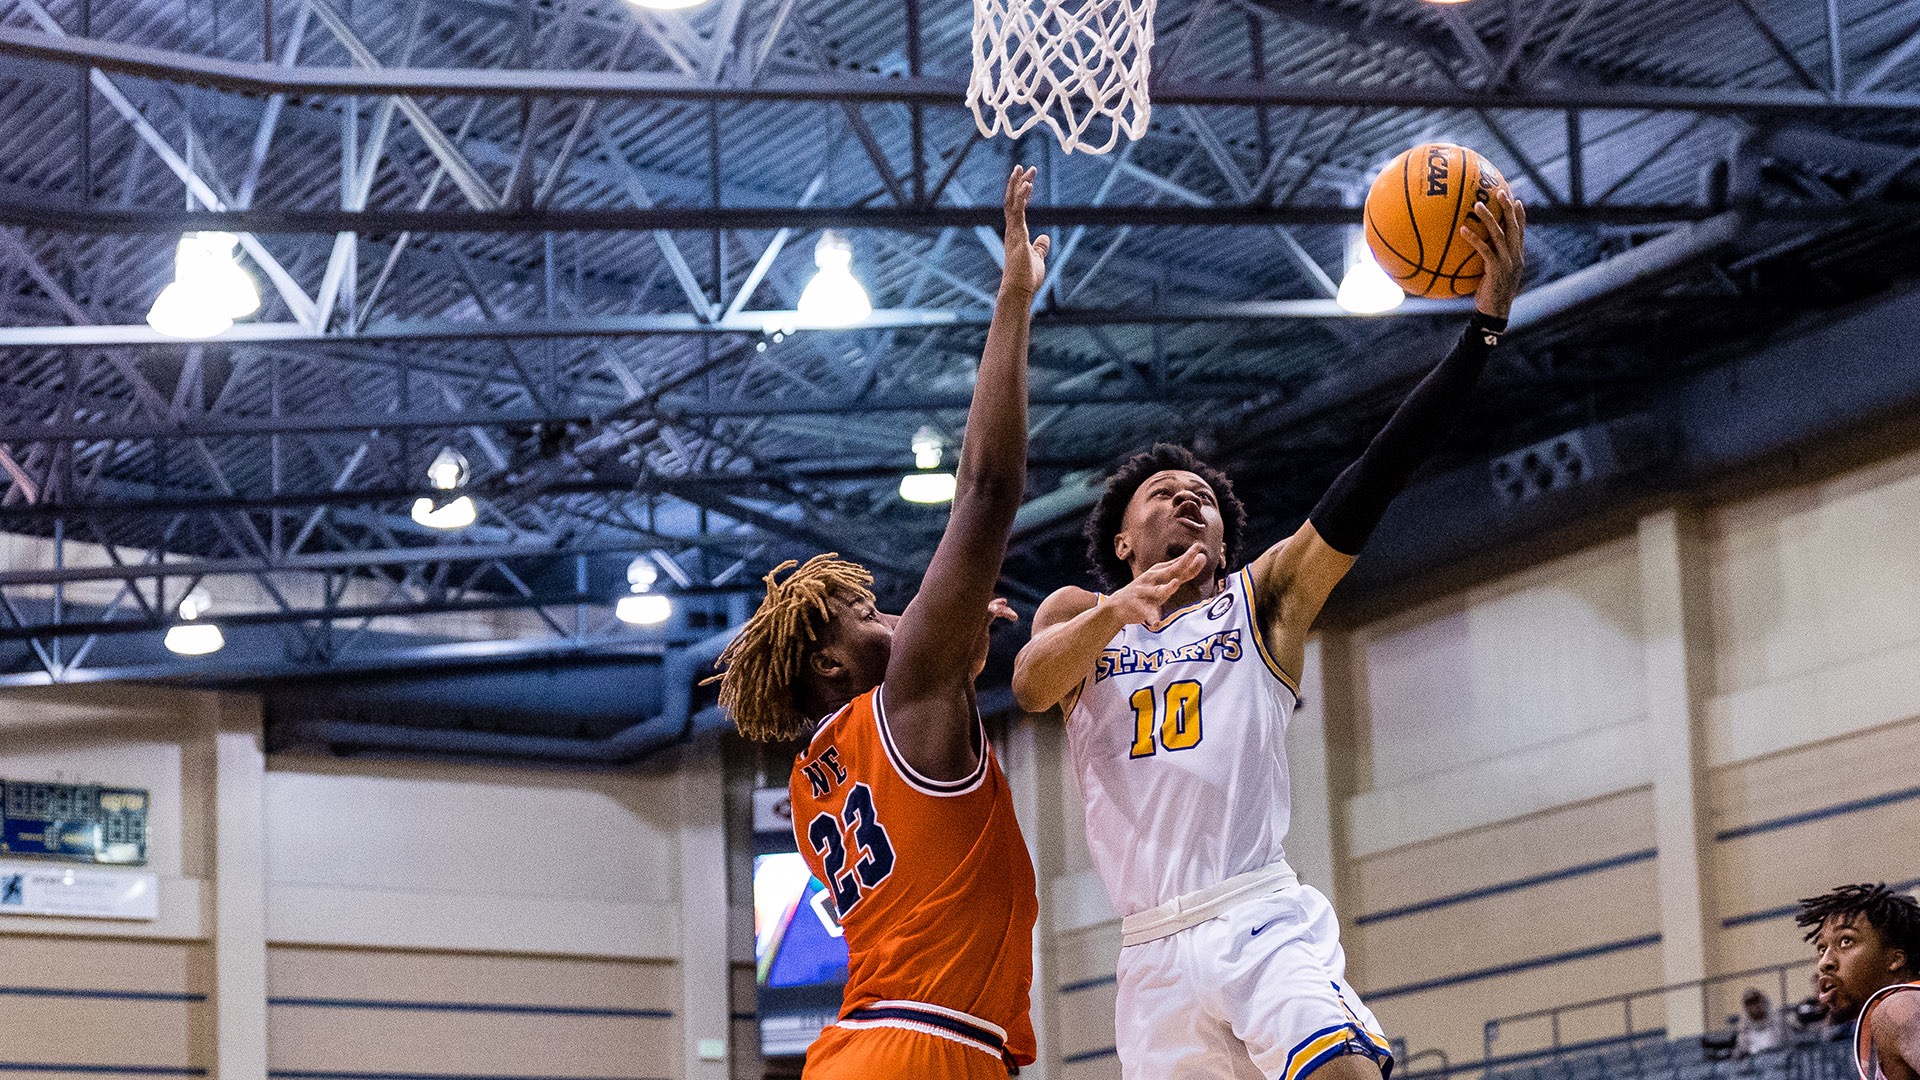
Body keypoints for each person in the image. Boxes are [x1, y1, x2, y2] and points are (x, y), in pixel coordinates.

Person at [1012, 190, 1526, 1080]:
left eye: (1203, 497)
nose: (1190, 497)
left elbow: (1375, 476)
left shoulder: (1259, 600)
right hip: (1148, 954)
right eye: (1165, 492)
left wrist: (1481, 330)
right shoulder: (1077, 617)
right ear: (1124, 542)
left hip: (1253, 913)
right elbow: (1025, 685)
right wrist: (1112, 610)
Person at [707, 167, 1048, 1080]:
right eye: (864, 612)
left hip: (863, 1048)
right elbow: (987, 488)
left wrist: (955, 641)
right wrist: (1013, 297)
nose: (891, 613)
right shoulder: (901, 703)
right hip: (925, 1047)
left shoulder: (820, 770)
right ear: (826, 660)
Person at [1798, 883, 1920, 1080]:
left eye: (1846, 941)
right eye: (1821, 949)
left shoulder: (1899, 1006)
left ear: (1895, 959)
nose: (1824, 962)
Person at [1734, 988, 1786, 1060]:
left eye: (1758, 1001)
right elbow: (1740, 1052)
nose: (1756, 1005)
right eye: (1751, 1003)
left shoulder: (1779, 1022)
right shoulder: (1744, 1030)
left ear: (1764, 1002)